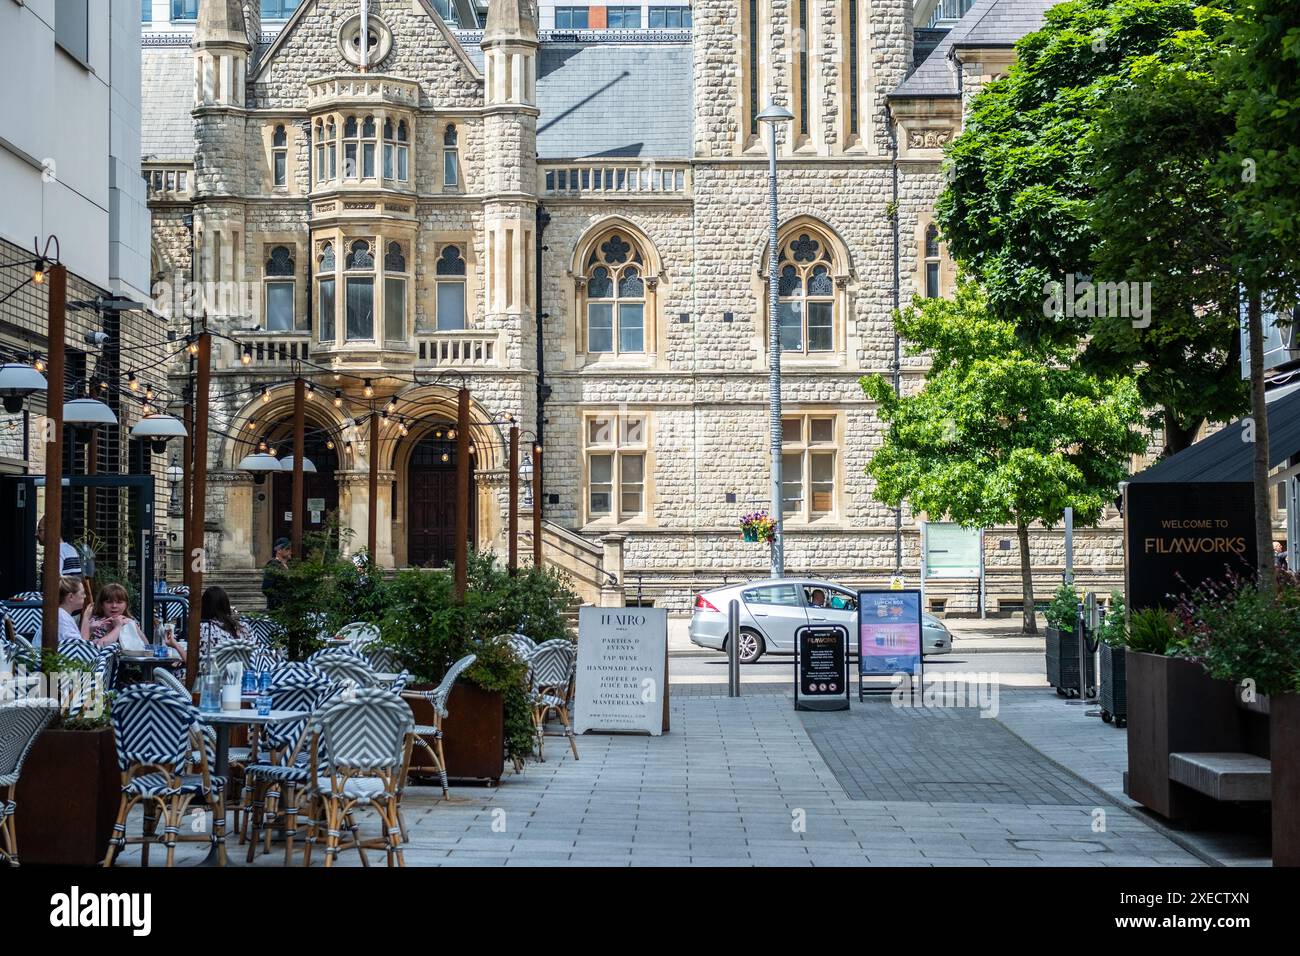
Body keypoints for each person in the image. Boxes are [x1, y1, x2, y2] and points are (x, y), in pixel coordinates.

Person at [199, 585, 251, 659]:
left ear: (204, 605)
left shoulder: (204, 628)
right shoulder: (244, 627)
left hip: (214, 668)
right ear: (226, 604)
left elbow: (196, 658)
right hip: (245, 667)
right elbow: (257, 649)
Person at [55, 575, 88, 648]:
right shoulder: (62, 619)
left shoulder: (61, 614)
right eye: (82, 593)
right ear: (71, 597)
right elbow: (80, 648)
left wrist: (90, 629)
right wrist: (86, 618)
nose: (85, 596)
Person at [262, 538, 291, 612]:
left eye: (290, 549)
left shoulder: (288, 566)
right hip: (278, 609)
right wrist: (279, 602)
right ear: (279, 550)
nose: (290, 551)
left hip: (289, 608)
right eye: (287, 549)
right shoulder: (273, 565)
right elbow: (266, 588)